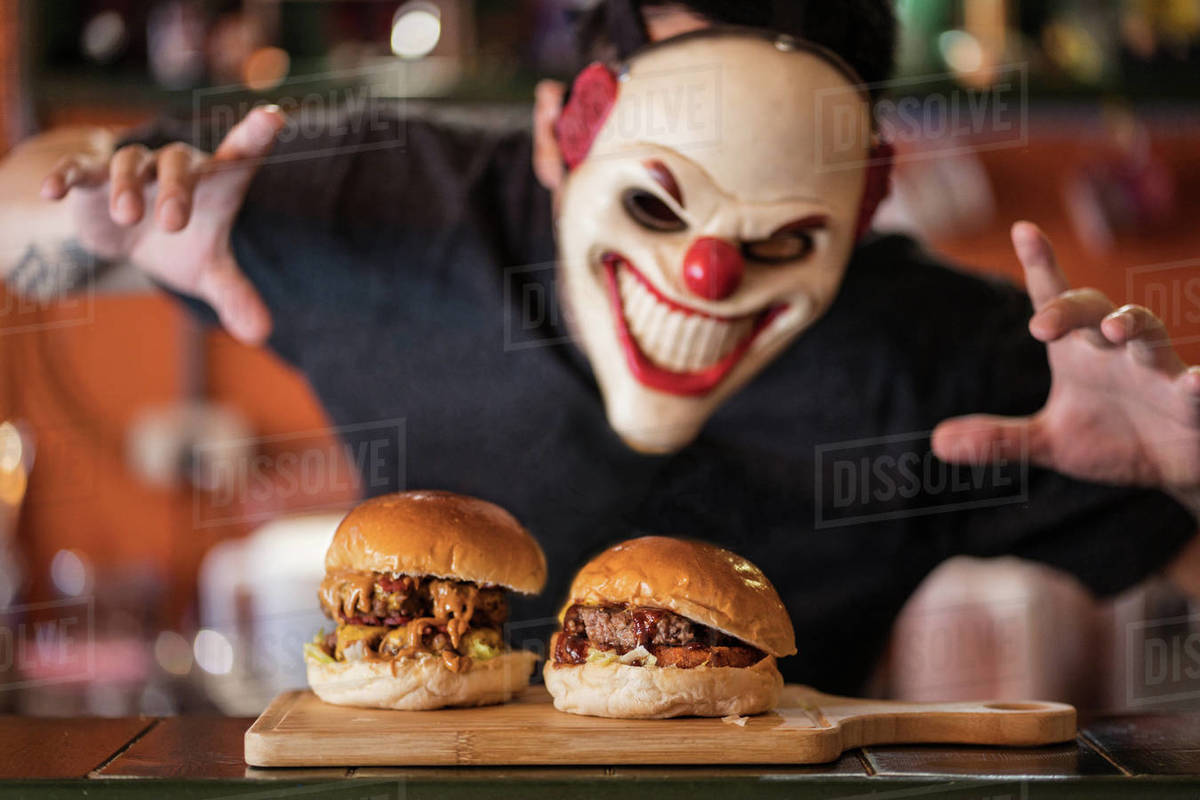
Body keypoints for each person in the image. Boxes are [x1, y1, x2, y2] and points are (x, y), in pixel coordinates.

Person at [1, 0, 1197, 695]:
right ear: (553, 137)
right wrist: (83, 214)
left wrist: (1186, 461)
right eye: (658, 204)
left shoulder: (957, 358)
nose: (706, 278)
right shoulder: (389, 203)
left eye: (779, 233)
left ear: (864, 200)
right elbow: (16, 215)